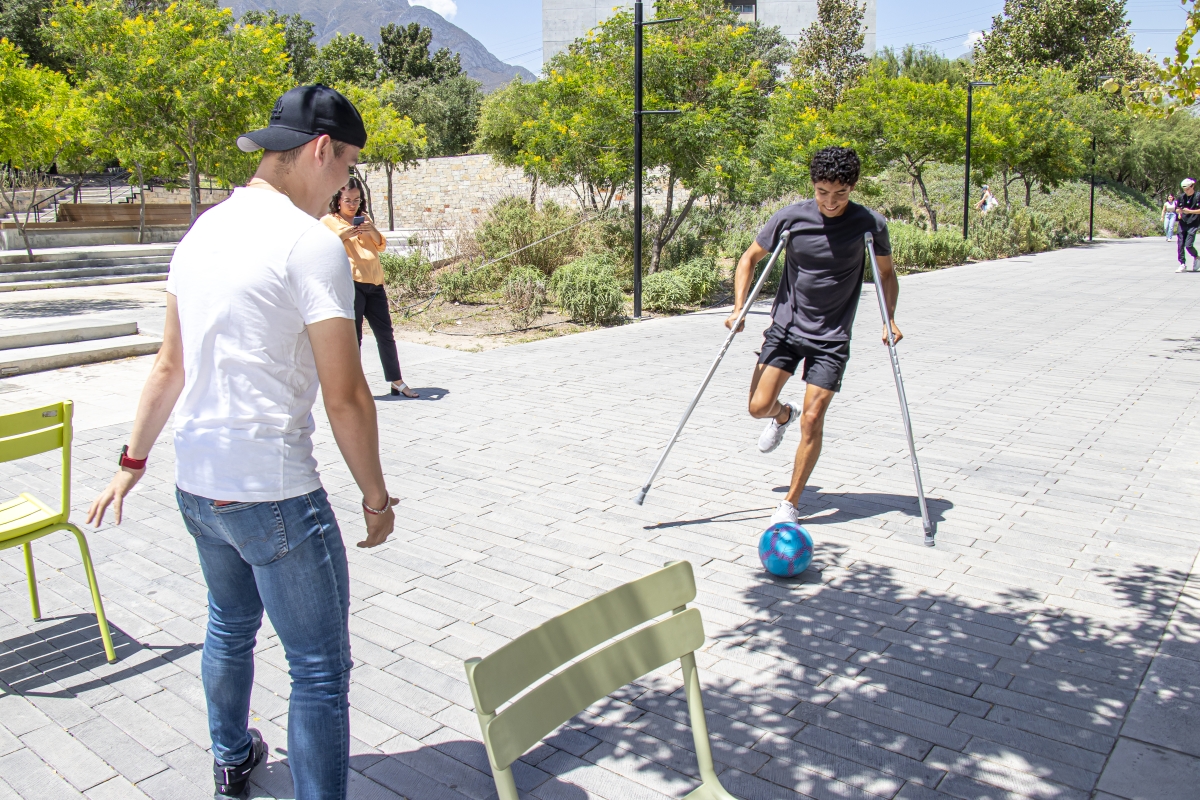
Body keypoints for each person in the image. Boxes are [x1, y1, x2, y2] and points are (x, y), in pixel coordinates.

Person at [86, 85, 398, 800]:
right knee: (318, 669)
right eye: (347, 166)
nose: (346, 184)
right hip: (276, 493)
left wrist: (132, 462)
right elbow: (346, 394)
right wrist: (376, 498)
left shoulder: (202, 231)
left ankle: (232, 762)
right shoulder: (308, 246)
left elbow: (170, 364)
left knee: (228, 627)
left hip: (198, 486)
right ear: (322, 149)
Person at [726, 146, 899, 525]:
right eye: (823, 192)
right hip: (786, 328)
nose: (831, 201)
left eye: (840, 193)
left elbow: (885, 274)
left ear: (852, 188)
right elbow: (748, 259)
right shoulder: (791, 218)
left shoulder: (871, 225)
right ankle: (783, 415)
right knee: (757, 407)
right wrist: (739, 308)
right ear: (813, 185)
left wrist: (890, 320)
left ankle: (790, 502)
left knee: (815, 418)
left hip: (832, 338)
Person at [322, 179, 419, 397]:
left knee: (385, 334)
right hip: (351, 284)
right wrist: (346, 233)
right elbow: (326, 245)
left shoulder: (364, 218)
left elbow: (381, 245)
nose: (352, 204)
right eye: (347, 200)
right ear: (337, 200)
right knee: (354, 337)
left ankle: (396, 381)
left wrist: (371, 228)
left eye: (356, 200)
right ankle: (352, 387)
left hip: (375, 283)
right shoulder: (329, 221)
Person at [1175, 178, 1200, 272]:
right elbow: (1177, 209)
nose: (1186, 191)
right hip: (1183, 222)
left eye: (1188, 189)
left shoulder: (1198, 196)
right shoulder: (1181, 197)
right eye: (1184, 190)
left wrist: (1190, 211)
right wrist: (1179, 211)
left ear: (1192, 186)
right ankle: (1182, 263)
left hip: (1193, 223)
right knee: (1180, 243)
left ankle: (1196, 257)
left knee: (1188, 245)